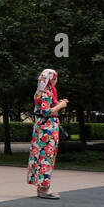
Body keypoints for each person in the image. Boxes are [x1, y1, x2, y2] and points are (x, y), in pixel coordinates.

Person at [28, 68, 68, 199]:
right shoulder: (46, 92)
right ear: (52, 79)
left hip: (43, 128)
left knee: (41, 156)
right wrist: (60, 106)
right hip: (47, 129)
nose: (57, 81)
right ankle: (45, 189)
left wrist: (57, 104)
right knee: (46, 157)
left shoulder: (42, 91)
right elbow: (46, 112)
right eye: (56, 78)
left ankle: (42, 188)